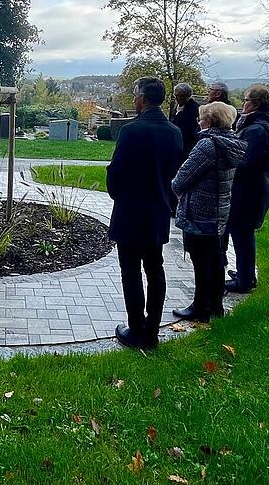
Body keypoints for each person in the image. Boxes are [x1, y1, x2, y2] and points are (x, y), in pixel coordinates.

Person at [106, 77, 183, 349]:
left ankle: (136, 328)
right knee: (155, 269)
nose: (134, 99)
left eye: (134, 94)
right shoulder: (174, 132)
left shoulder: (131, 131)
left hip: (130, 212)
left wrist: (118, 194)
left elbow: (115, 173)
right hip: (159, 211)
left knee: (130, 272)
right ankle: (152, 329)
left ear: (141, 97)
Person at [171, 102, 246, 323]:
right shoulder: (231, 144)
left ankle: (199, 307)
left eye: (201, 118)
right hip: (219, 211)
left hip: (200, 213)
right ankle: (215, 305)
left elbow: (180, 180)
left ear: (210, 121)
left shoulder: (207, 145)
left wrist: (175, 186)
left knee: (201, 262)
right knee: (215, 260)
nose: (198, 121)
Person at [223, 84, 269, 294]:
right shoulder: (266, 125)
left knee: (242, 232)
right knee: (243, 232)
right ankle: (244, 273)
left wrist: (227, 156)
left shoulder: (257, 129)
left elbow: (246, 162)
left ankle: (245, 280)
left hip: (247, 191)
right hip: (256, 188)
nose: (243, 103)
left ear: (256, 103)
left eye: (246, 100)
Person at [171, 82, 201, 159]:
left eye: (180, 96)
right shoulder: (178, 106)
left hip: (187, 145)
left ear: (187, 96)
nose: (177, 98)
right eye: (176, 96)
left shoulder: (194, 109)